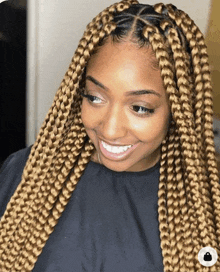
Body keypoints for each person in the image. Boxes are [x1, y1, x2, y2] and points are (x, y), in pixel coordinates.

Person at [0, 0, 219, 271]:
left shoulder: (206, 202)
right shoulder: (26, 173)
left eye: (140, 108)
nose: (110, 129)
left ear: (178, 110)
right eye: (94, 97)